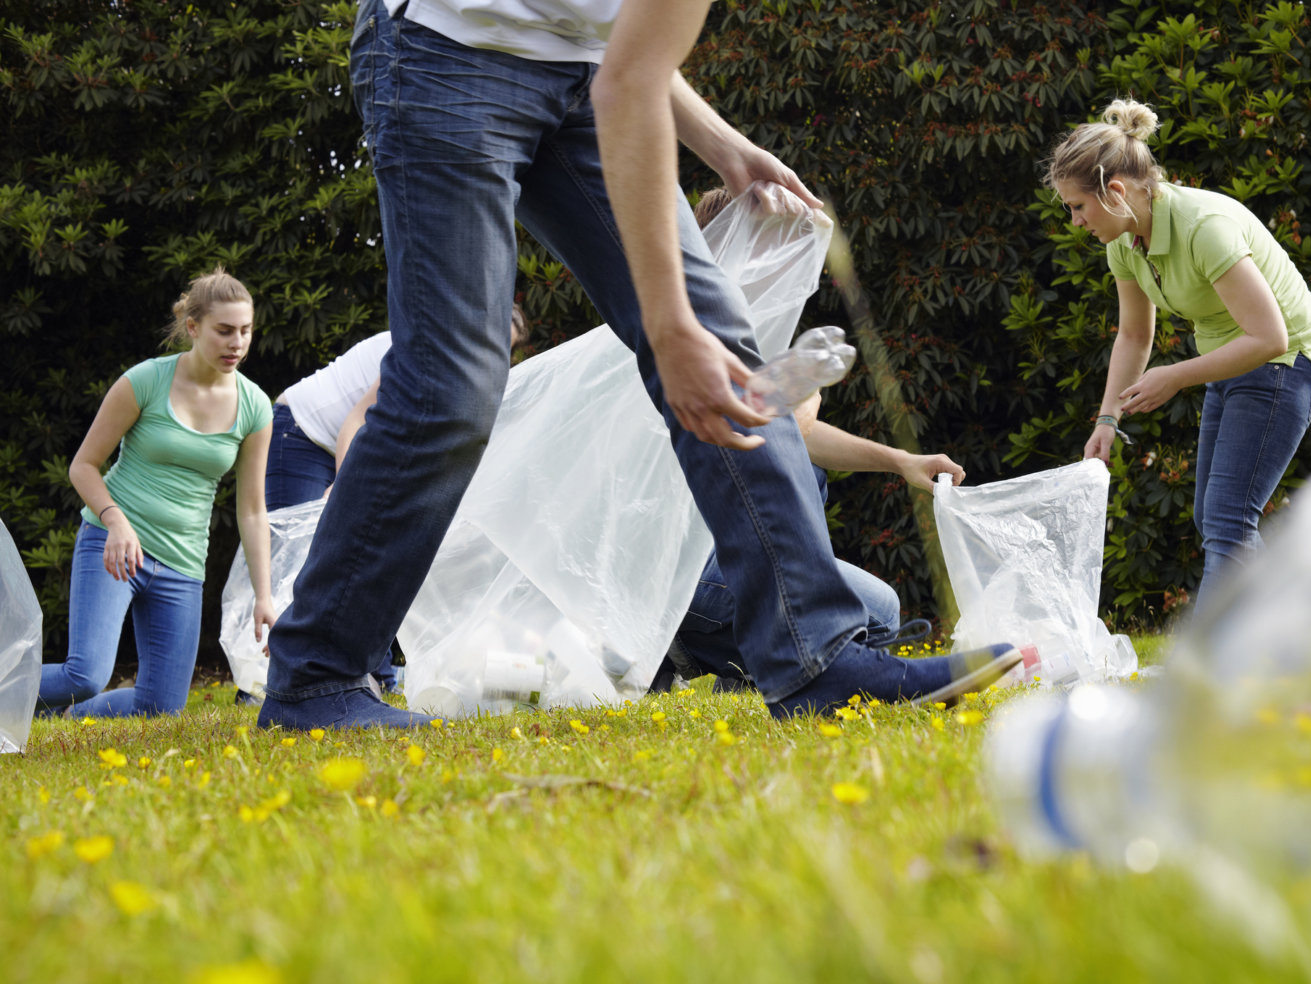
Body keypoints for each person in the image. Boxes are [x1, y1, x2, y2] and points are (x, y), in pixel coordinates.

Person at [256, 0, 1020, 730]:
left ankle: (815, 659)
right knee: (452, 388)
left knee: (727, 353)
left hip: (585, 75)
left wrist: (722, 146)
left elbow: (626, 48)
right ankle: (317, 675)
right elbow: (630, 86)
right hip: (444, 53)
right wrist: (667, 327)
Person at [657, 187, 966, 690]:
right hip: (682, 570)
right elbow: (765, 438)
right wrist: (803, 392)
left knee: (872, 594)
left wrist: (900, 460)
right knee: (879, 614)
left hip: (708, 558)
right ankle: (692, 647)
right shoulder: (693, 335)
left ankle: (737, 662)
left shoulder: (742, 326)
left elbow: (802, 435)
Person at [1048, 99, 1311, 607]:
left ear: (1114, 192)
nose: (1074, 222)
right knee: (1215, 517)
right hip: (1232, 362)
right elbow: (1134, 335)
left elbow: (1271, 338)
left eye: (1077, 206)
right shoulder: (1124, 239)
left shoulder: (1204, 226)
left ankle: (1213, 669)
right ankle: (1288, 633)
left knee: (1227, 518)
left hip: (1288, 363)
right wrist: (1106, 421)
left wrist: (1175, 376)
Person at [36, 269, 274, 718]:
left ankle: (66, 715)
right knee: (84, 675)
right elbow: (83, 466)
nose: (237, 343)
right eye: (224, 331)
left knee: (162, 707)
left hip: (182, 563)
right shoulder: (145, 381)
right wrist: (115, 520)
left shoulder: (255, 406)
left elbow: (253, 511)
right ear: (193, 327)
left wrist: (264, 596)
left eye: (245, 331)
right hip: (114, 546)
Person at [255, 308, 528, 697]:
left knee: (373, 551)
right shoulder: (422, 342)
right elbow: (357, 420)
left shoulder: (468, 371)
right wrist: (347, 486)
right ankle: (273, 679)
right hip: (301, 430)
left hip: (347, 440)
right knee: (300, 558)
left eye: (507, 347)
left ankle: (375, 676)